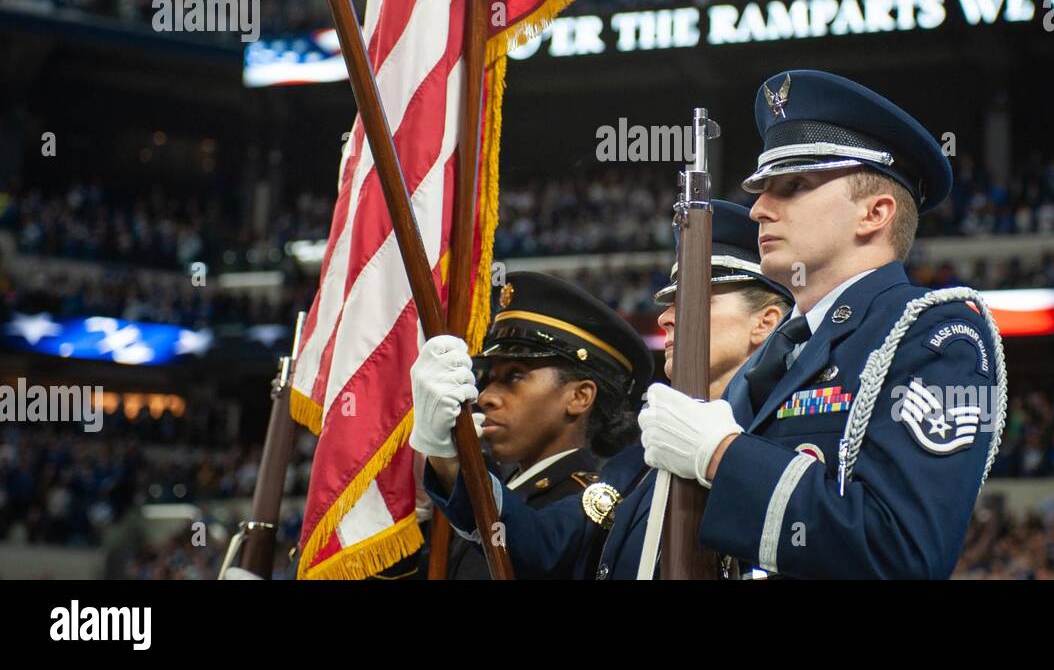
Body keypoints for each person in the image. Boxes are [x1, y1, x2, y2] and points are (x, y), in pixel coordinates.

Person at [637, 70, 1009, 579]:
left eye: (793, 187)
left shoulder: (933, 335)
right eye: (763, 189)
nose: (759, 210)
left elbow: (902, 554)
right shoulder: (779, 354)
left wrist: (722, 454)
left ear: (874, 213)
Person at [412, 202, 793, 579]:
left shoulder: (786, 433)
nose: (665, 317)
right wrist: (447, 455)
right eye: (669, 302)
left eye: (694, 300)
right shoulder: (642, 458)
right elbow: (542, 548)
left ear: (765, 322)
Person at [415, 272, 653, 579]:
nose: (486, 397)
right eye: (488, 379)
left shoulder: (593, 506)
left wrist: (447, 461)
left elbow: (533, 550)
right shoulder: (493, 493)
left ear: (580, 397)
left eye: (514, 377)